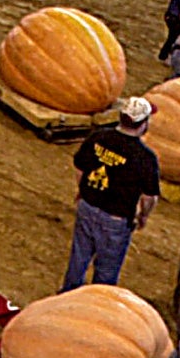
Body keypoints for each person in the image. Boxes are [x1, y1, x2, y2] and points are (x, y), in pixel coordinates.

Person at [62, 97, 159, 291]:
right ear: (143, 124)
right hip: (115, 220)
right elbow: (149, 197)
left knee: (78, 259)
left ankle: (67, 295)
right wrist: (143, 216)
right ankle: (98, 308)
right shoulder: (145, 158)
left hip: (87, 207)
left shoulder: (98, 137)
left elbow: (80, 168)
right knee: (106, 272)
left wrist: (83, 191)